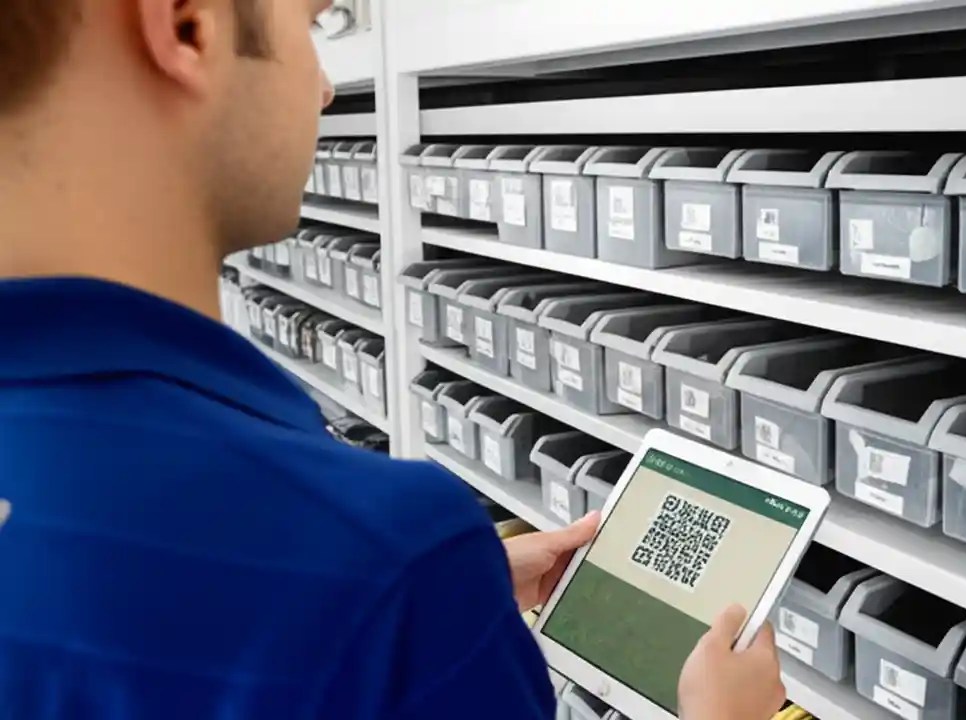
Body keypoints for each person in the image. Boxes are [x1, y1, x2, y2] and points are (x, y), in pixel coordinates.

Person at [0, 1, 788, 719]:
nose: (325, 91)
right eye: (311, 26)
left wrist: (450, 593)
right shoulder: (379, 556)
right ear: (185, 26)